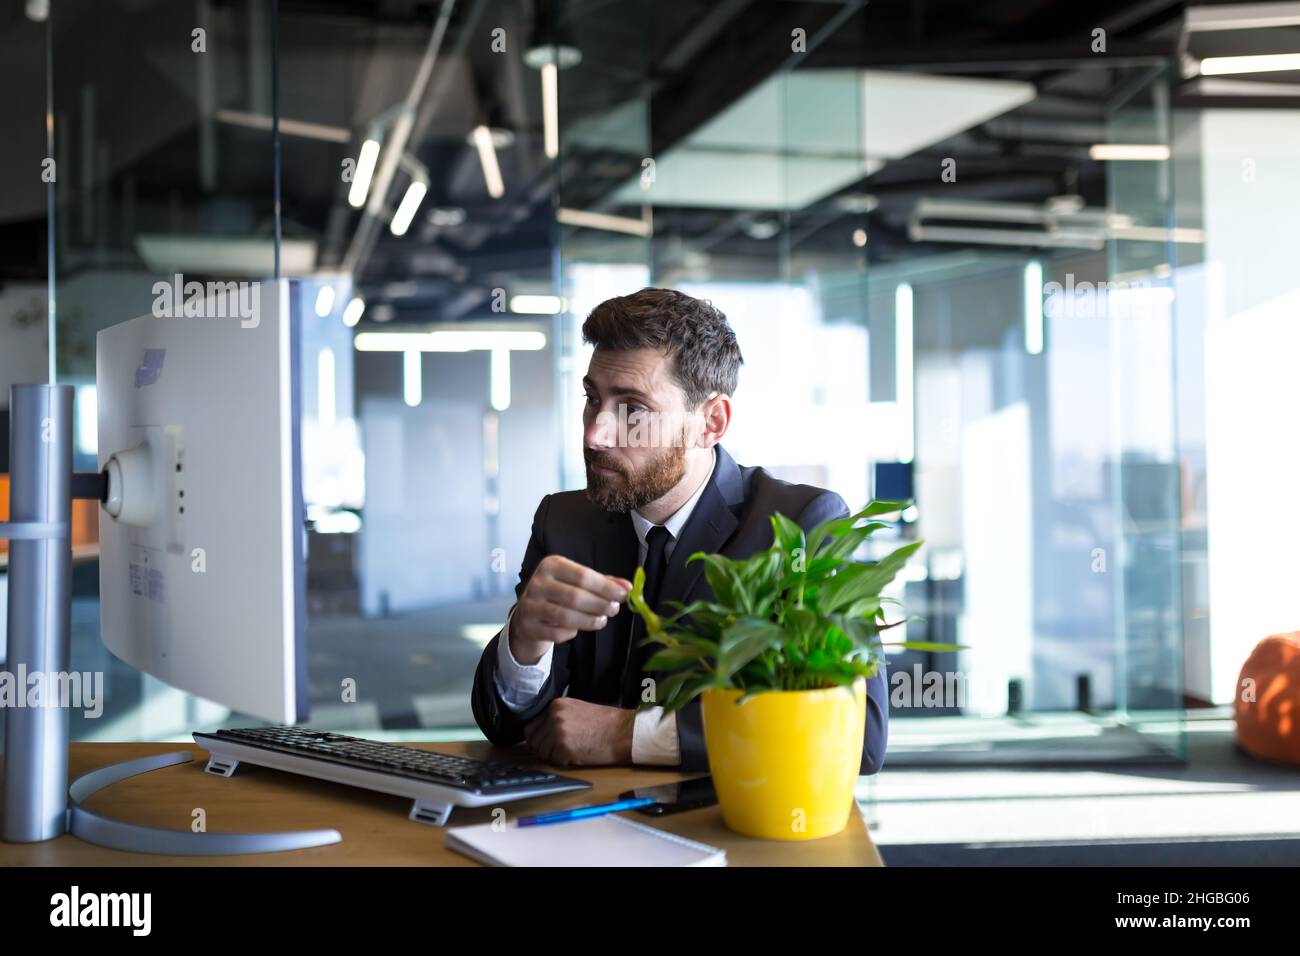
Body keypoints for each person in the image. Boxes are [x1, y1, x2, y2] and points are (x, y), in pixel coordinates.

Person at [470, 287, 888, 772]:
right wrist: (523, 642)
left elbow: (858, 736)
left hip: (731, 828)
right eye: (592, 399)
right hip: (582, 830)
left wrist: (627, 735)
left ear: (711, 422)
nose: (595, 434)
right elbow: (501, 724)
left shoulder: (801, 527)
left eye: (633, 410)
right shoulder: (564, 522)